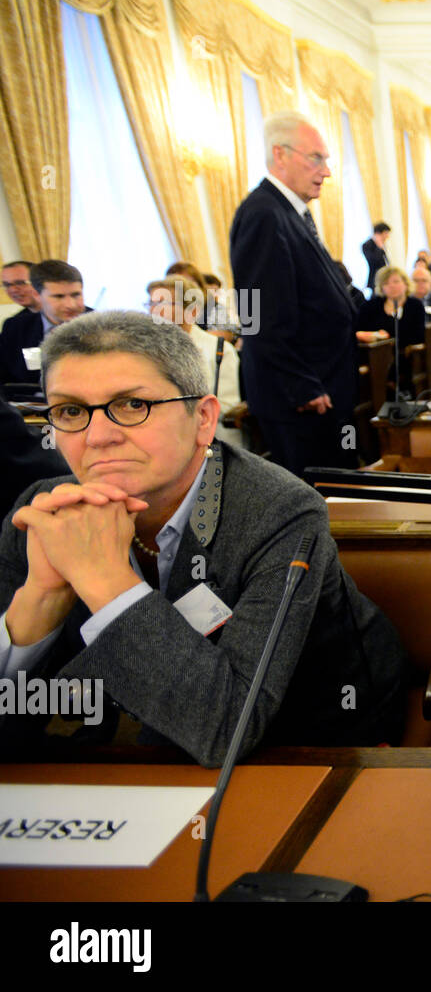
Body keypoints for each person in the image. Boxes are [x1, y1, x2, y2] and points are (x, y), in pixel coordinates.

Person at [0, 311, 405, 764]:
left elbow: (223, 730)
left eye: (133, 405)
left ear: (204, 419)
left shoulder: (278, 511)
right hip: (129, 762)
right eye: (71, 411)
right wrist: (40, 598)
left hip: (303, 746)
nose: (97, 437)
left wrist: (103, 580)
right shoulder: (43, 513)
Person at [229, 110, 358, 477]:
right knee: (316, 499)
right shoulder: (264, 214)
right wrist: (301, 386)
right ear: (280, 154)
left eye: (326, 160)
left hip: (322, 388)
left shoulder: (291, 212)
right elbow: (257, 314)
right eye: (316, 158)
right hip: (301, 399)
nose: (326, 171)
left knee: (340, 493)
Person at [148, 277, 243, 448]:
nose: (154, 311)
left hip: (213, 442)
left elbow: (228, 406)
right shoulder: (147, 354)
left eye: (163, 303)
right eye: (151, 304)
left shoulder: (219, 349)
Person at [0, 260, 89, 390]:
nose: (70, 304)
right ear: (36, 294)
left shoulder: (104, 327)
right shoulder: (16, 327)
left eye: (76, 295)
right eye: (59, 297)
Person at [355, 266, 426, 397]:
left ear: (405, 284)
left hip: (404, 354)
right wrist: (373, 335)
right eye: (386, 283)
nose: (392, 286)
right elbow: (358, 329)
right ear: (381, 288)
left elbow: (418, 335)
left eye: (396, 282)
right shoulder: (370, 306)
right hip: (374, 353)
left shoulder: (415, 306)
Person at [361, 222, 391, 295]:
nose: (388, 236)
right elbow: (373, 261)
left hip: (385, 278)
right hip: (375, 279)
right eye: (386, 233)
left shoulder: (381, 245)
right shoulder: (367, 245)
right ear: (379, 233)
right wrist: (379, 248)